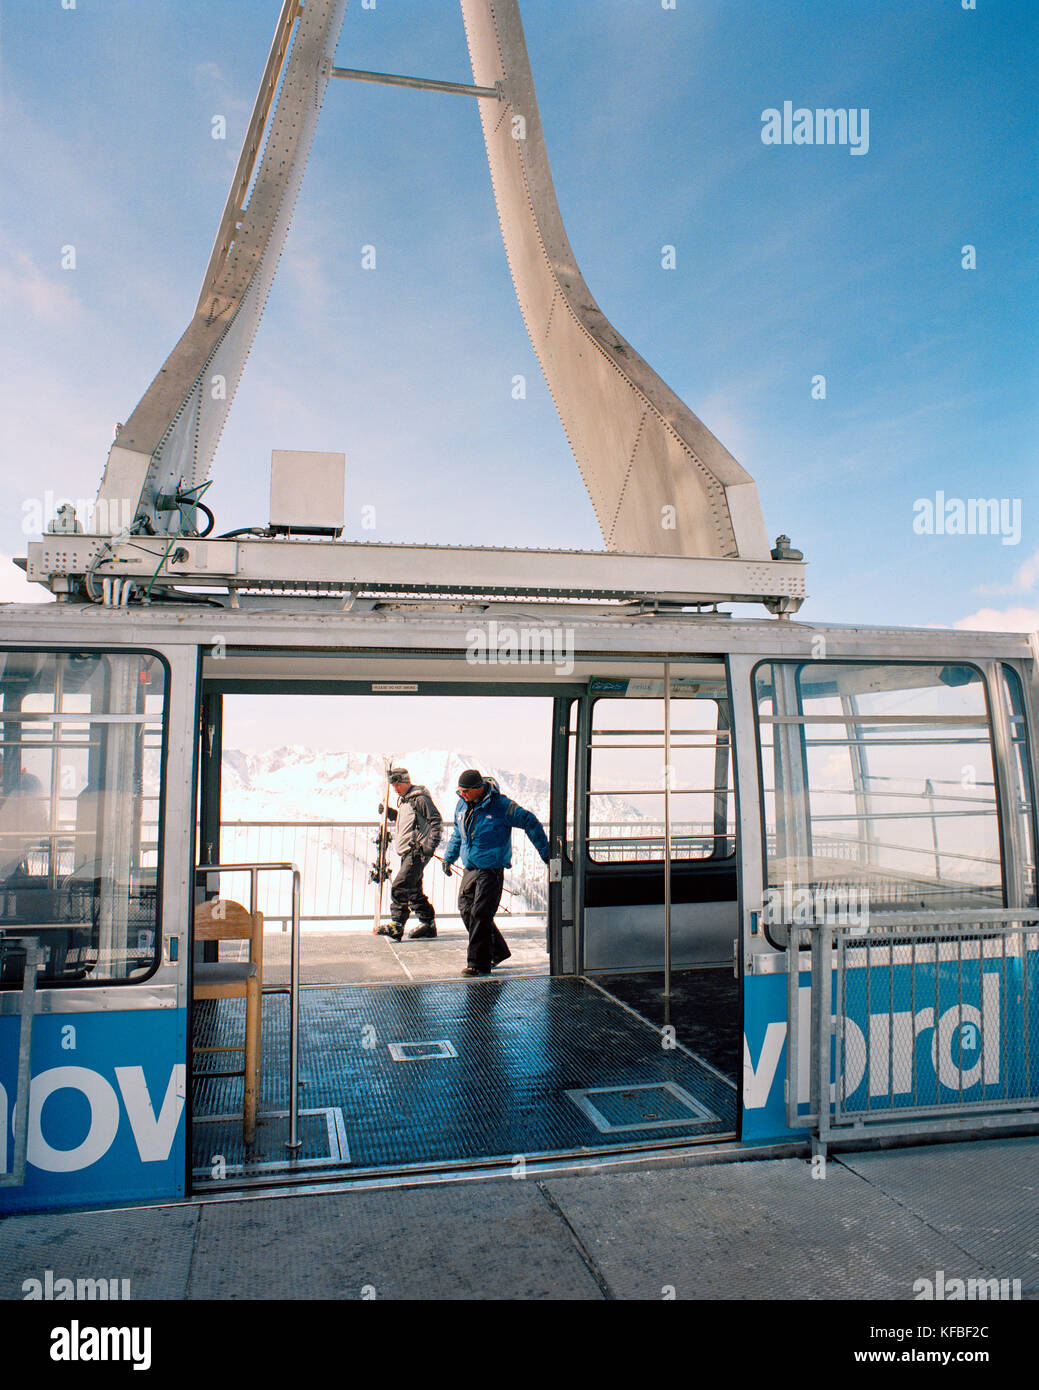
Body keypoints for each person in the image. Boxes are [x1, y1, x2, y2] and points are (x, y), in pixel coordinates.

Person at [441, 768, 550, 977]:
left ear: (478, 788)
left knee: (481, 913)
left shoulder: (501, 806)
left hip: (491, 868)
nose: (462, 795)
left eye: (466, 791)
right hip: (471, 867)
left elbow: (529, 821)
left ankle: (479, 963)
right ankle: (497, 951)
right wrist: (449, 857)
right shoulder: (462, 805)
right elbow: (458, 833)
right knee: (465, 908)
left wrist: (546, 853)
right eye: (460, 791)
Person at [382, 769, 442, 942]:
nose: (395, 788)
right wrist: (391, 814)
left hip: (417, 852)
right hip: (409, 851)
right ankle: (428, 924)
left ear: (407, 781)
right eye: (393, 785)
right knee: (413, 889)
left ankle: (397, 925)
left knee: (400, 885)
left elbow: (436, 821)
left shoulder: (420, 799)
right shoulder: (406, 800)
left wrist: (430, 847)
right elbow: (409, 821)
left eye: (398, 784)